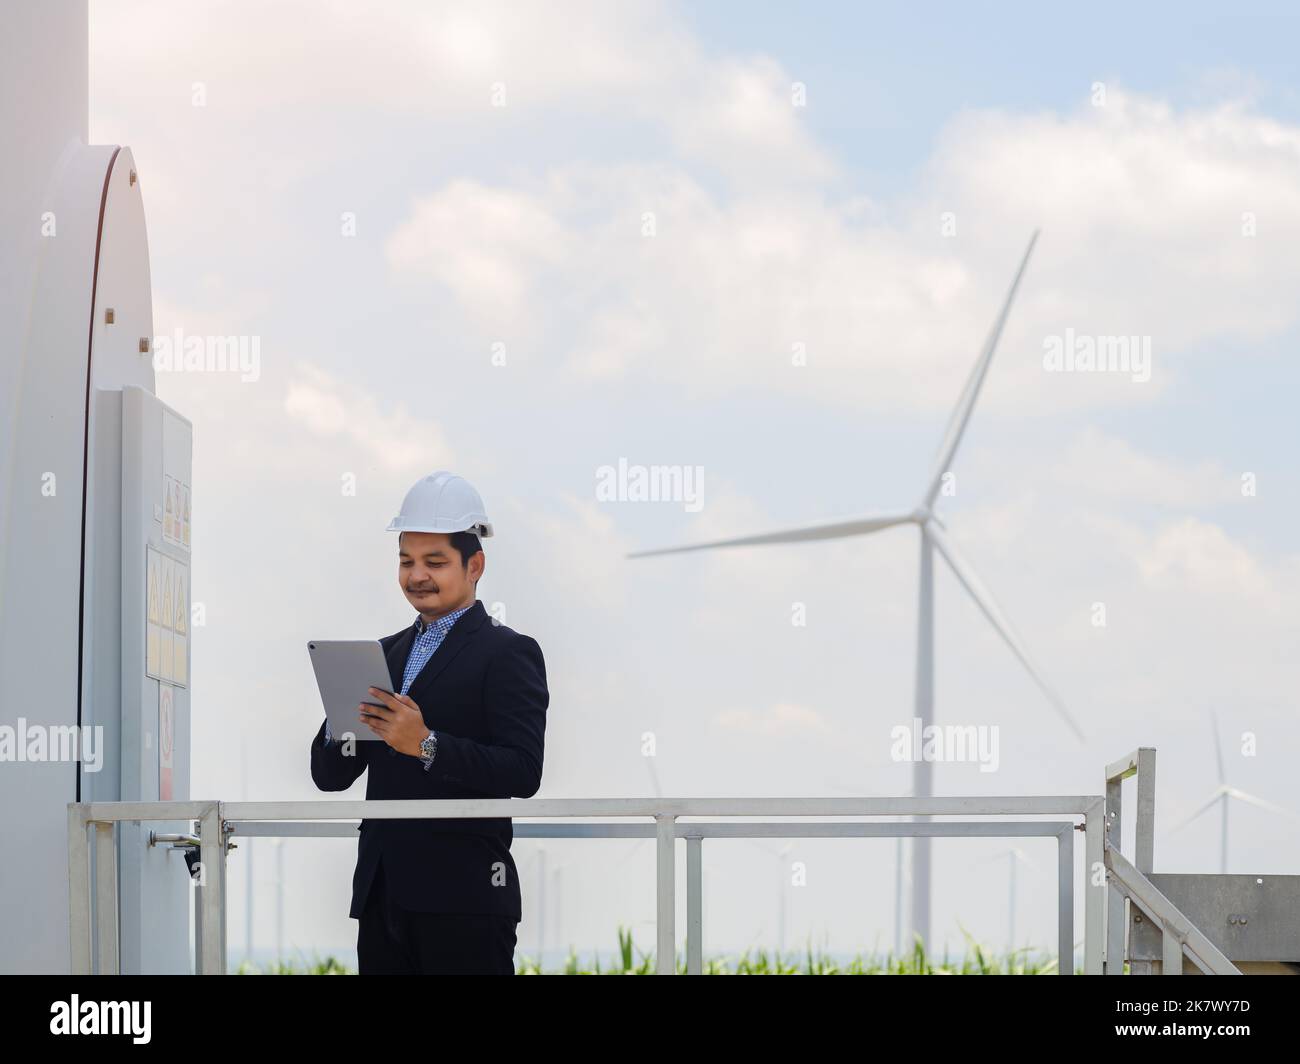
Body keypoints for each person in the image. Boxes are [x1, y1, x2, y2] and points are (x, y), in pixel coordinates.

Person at [310, 472, 548, 974]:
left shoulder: (508, 653)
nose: (417, 575)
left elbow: (523, 770)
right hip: (382, 898)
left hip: (465, 901)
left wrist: (426, 745)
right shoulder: (384, 654)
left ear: (475, 564)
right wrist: (340, 719)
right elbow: (329, 777)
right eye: (406, 561)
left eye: (435, 562)